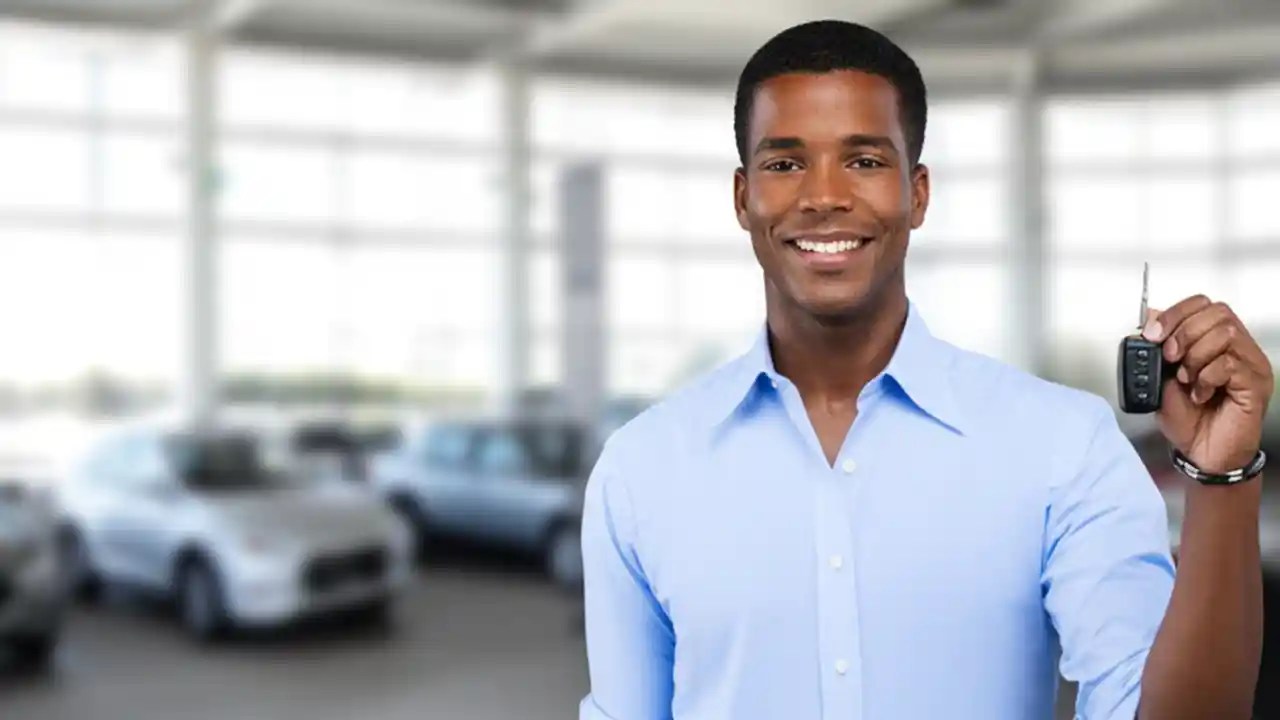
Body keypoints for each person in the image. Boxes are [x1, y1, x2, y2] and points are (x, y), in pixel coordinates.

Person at [577, 19, 1274, 720]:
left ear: (918, 194)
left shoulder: (1063, 446)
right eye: (786, 163)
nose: (823, 196)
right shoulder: (642, 470)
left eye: (865, 161)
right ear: (742, 197)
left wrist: (1221, 480)